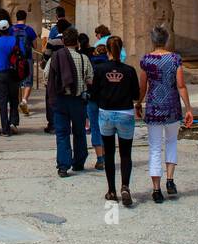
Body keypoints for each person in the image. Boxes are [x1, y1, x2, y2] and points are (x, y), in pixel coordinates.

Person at [137, 26, 193, 204]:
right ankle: (170, 180)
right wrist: (189, 108)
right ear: (166, 40)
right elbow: (181, 85)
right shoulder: (175, 59)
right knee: (171, 143)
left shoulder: (146, 60)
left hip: (154, 108)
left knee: (154, 148)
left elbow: (143, 86)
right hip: (172, 108)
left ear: (152, 40)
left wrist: (139, 102)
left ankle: (156, 190)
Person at [90, 35, 140, 207]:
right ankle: (125, 186)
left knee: (109, 153)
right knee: (125, 153)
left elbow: (94, 94)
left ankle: (111, 190)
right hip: (125, 113)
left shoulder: (100, 69)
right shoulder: (129, 70)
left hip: (106, 114)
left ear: (108, 51)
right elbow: (136, 95)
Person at [48, 29, 94, 177]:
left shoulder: (55, 57)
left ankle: (63, 165)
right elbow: (90, 79)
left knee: (62, 133)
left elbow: (45, 76)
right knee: (79, 132)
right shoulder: (83, 58)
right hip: (78, 100)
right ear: (77, 42)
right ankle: (79, 162)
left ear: (63, 42)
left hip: (61, 100)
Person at [0, 19, 24, 135]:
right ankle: (13, 123)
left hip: (1, 73)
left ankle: (5, 129)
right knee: (14, 98)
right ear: (9, 28)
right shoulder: (15, 40)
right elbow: (22, 53)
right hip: (14, 73)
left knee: (2, 101)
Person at [41, 18, 71, 133]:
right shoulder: (70, 42)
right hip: (67, 72)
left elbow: (46, 56)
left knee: (50, 97)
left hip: (53, 73)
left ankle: (52, 124)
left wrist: (43, 65)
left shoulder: (52, 42)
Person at [86, 27, 110, 171]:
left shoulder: (91, 65)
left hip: (92, 99)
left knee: (95, 127)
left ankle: (100, 158)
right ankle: (107, 156)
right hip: (107, 101)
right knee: (107, 128)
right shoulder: (110, 66)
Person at [12, 10, 38, 114]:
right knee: (28, 81)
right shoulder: (29, 30)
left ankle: (18, 102)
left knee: (17, 81)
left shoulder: (11, 29)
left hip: (15, 59)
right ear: (25, 18)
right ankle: (24, 100)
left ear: (16, 18)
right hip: (27, 58)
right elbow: (35, 46)